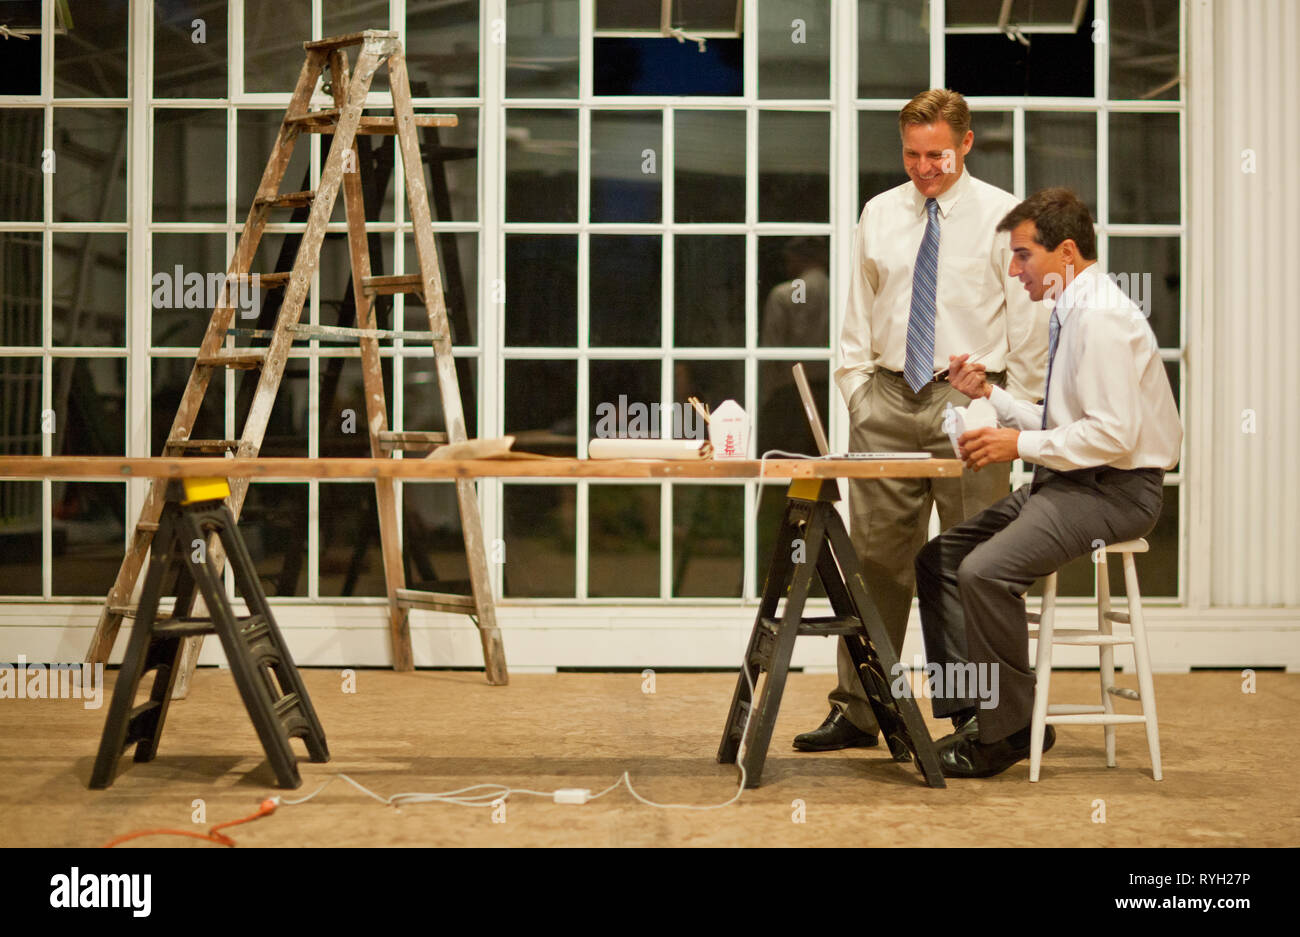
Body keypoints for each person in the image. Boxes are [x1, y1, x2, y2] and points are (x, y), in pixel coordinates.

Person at [793, 89, 1048, 753]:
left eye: (936, 153)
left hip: (966, 405)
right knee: (875, 561)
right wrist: (855, 389)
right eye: (912, 154)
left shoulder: (1004, 218)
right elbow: (857, 312)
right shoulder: (879, 212)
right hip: (884, 396)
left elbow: (1026, 323)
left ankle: (977, 717)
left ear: (966, 142)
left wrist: (1001, 397)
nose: (924, 166)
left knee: (968, 562)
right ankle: (861, 708)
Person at [916, 187, 1182, 777]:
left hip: (1114, 490)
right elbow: (1070, 427)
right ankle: (976, 714)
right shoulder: (1075, 310)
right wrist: (993, 398)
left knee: (983, 573)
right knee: (939, 560)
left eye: (1022, 256)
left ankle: (1004, 734)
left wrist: (1018, 444)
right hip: (1071, 481)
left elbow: (1113, 437)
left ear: (1065, 252)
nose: (1014, 270)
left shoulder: (1103, 317)